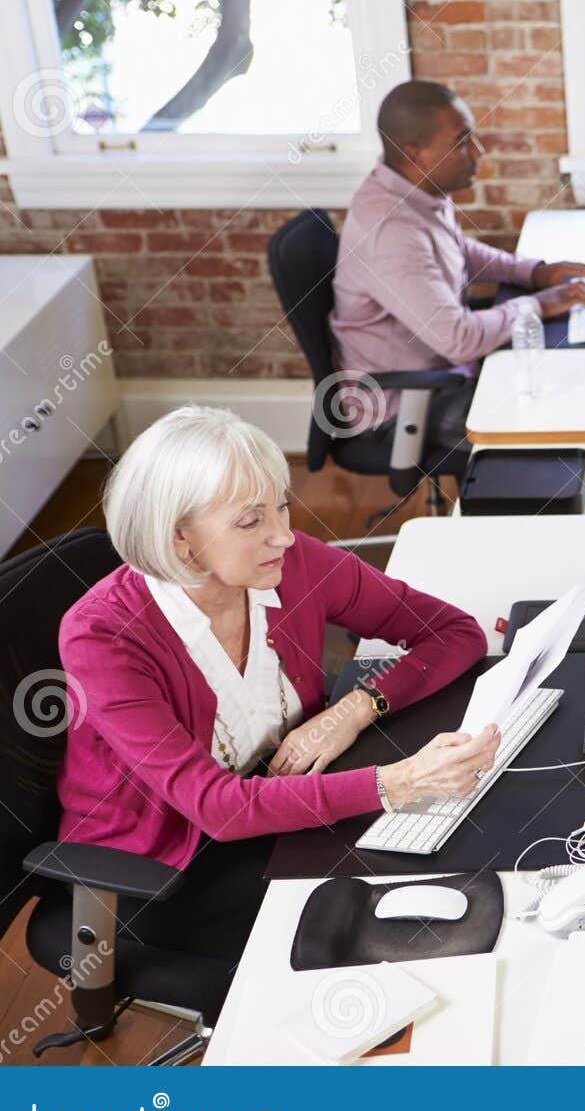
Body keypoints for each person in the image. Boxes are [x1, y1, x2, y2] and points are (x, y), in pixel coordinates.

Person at [56, 406, 498, 964]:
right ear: (180, 539)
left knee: (461, 869)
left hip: (285, 807)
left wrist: (355, 710)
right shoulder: (103, 637)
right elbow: (216, 808)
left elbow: (452, 632)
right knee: (384, 946)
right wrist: (399, 781)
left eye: (282, 507)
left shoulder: (291, 564)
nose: (284, 536)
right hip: (168, 866)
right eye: (250, 522)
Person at [330, 79, 585, 445]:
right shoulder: (391, 231)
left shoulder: (414, 190)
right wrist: (538, 304)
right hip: (407, 407)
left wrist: (534, 273)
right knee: (556, 407)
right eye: (462, 141)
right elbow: (459, 340)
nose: (477, 152)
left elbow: (458, 250)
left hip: (443, 368)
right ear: (416, 154)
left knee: (563, 363)